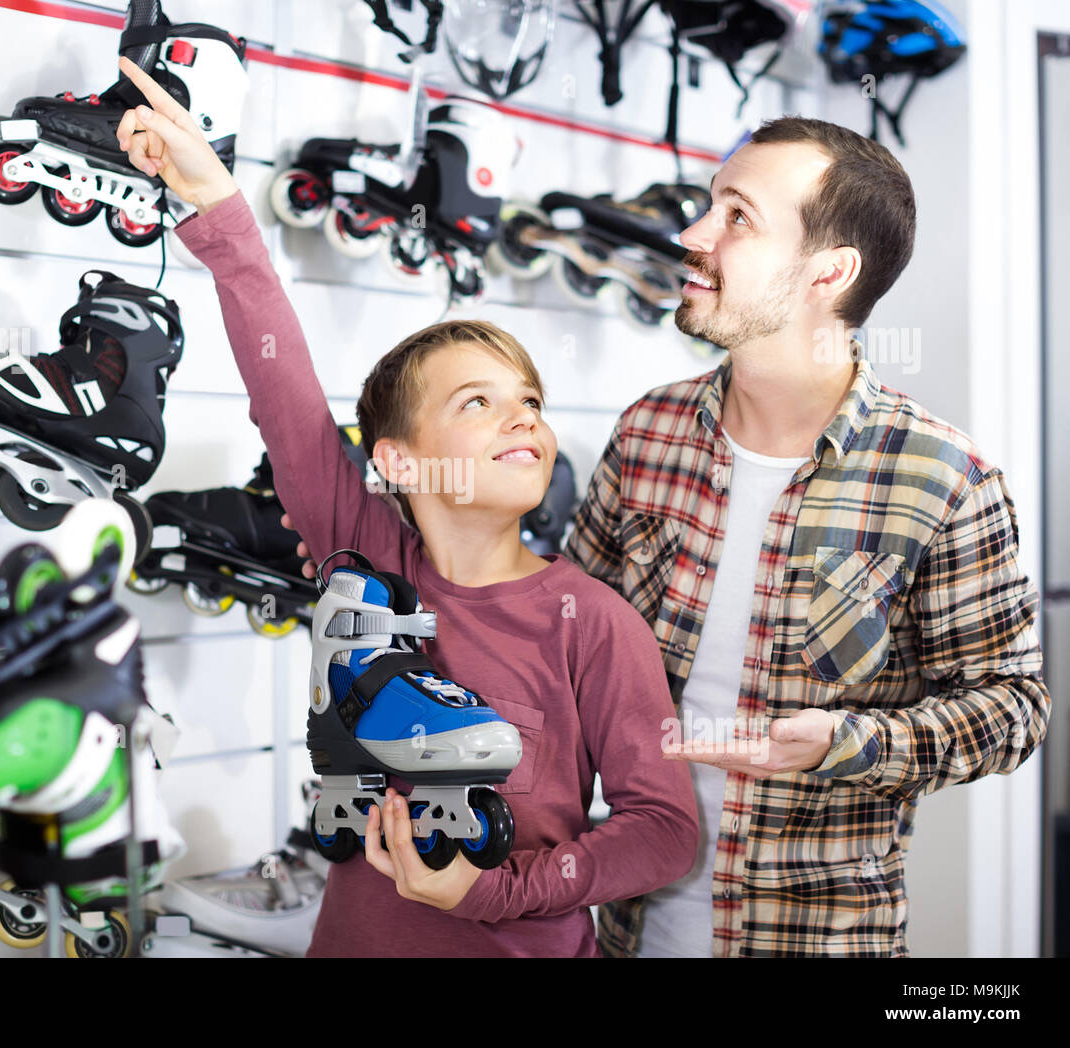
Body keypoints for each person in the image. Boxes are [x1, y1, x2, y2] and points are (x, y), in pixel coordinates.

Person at [112, 57, 697, 957]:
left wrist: (496, 890)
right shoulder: (368, 560)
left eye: (531, 403)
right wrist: (217, 202)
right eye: (479, 403)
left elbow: (665, 828)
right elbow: (288, 398)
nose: (523, 419)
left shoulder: (595, 622)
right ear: (396, 461)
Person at [565, 116, 1051, 957]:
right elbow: (560, 633)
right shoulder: (648, 432)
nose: (692, 235)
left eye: (737, 216)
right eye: (709, 204)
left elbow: (1013, 710)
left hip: (816, 940)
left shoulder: (942, 477)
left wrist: (847, 743)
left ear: (829, 271)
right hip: (624, 929)